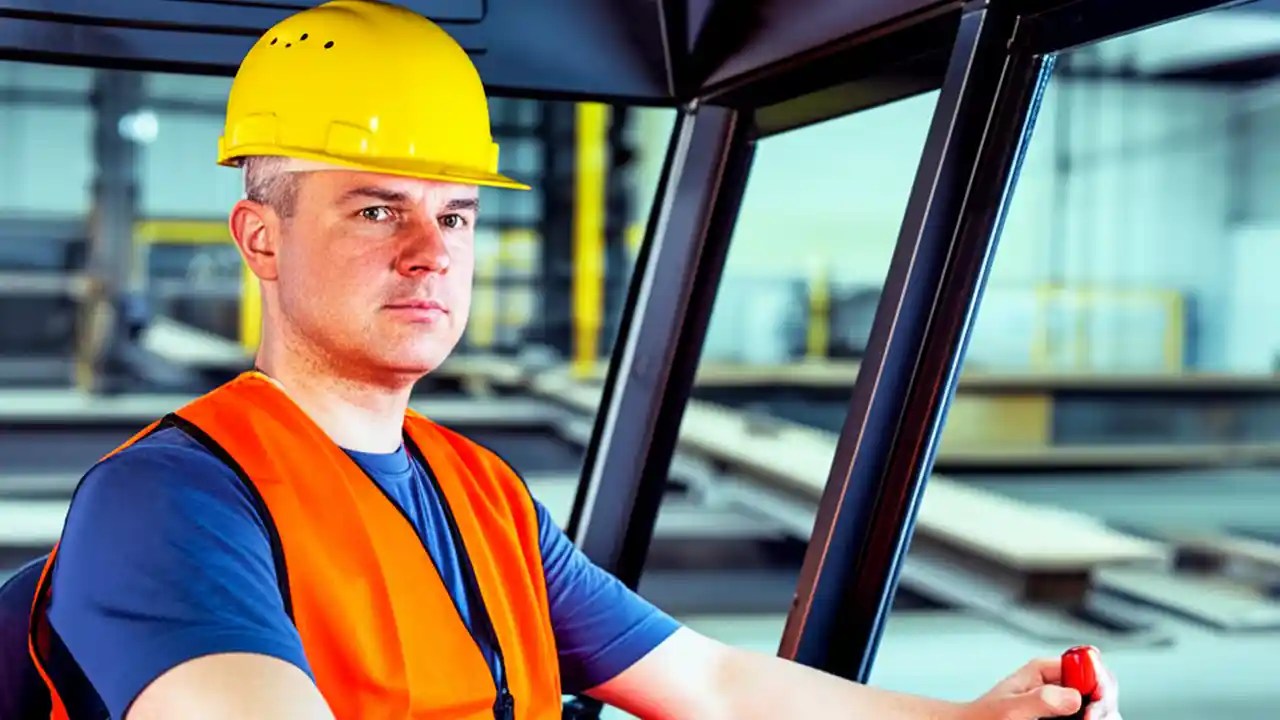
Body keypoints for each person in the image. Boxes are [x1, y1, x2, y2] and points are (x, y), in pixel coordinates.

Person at [23, 1, 1124, 719]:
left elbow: (709, 681)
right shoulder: (169, 503)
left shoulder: (479, 495)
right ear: (260, 238)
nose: (429, 253)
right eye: (374, 210)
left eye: (455, 216)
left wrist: (971, 719)